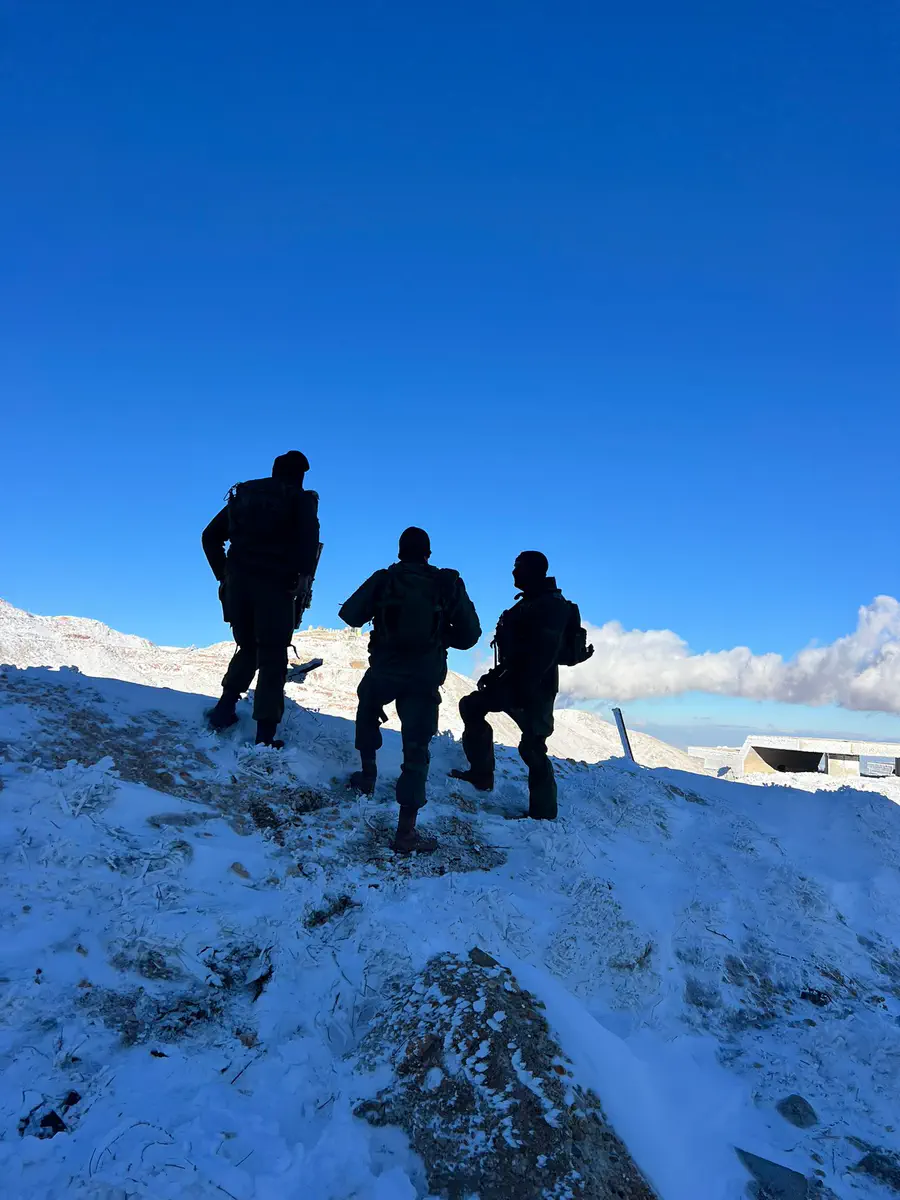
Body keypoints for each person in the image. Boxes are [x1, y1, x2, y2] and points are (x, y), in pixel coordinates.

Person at [339, 527, 481, 853]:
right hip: (424, 676)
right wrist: (440, 636)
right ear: (428, 553)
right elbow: (470, 635)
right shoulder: (447, 583)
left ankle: (368, 775)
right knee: (416, 751)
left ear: (400, 551)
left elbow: (349, 615)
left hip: (385, 670)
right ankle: (405, 833)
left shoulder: (385, 578)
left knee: (367, 707)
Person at [451, 551, 592, 820]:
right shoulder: (527, 605)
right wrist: (496, 676)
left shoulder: (551, 606)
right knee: (471, 706)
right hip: (514, 682)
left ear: (535, 571)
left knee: (533, 747)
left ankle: (543, 812)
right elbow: (516, 652)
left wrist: (523, 687)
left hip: (535, 689)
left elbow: (544, 654)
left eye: (519, 568)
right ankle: (481, 775)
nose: (514, 573)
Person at [202, 451, 320, 747]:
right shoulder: (300, 500)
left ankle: (223, 711)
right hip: (275, 588)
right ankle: (264, 736)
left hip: (238, 588)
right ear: (300, 475)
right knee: (272, 656)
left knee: (248, 646)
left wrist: (224, 575)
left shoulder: (245, 495)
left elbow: (209, 536)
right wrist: (301, 583)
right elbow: (308, 551)